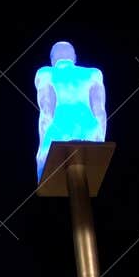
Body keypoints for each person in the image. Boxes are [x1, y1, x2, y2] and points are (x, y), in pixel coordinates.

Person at [35, 41, 108, 180]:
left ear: (52, 59)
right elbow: (100, 112)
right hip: (89, 131)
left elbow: (46, 112)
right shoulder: (94, 74)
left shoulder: (45, 73)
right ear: (74, 58)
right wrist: (101, 145)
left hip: (59, 131)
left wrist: (41, 152)